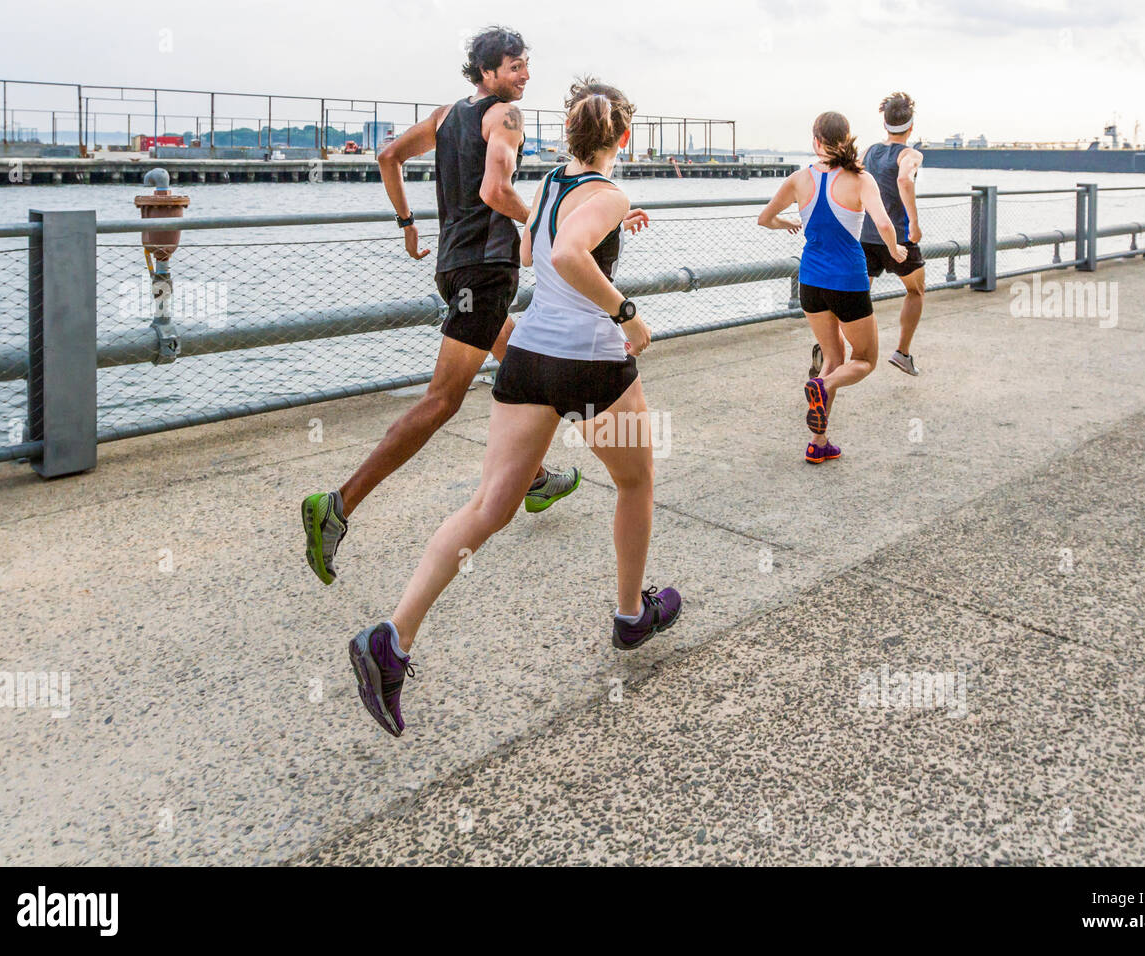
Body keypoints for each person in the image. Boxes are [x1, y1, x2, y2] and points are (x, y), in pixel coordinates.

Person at [348, 78, 680, 739]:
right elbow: (564, 253)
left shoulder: (555, 182)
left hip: (528, 357)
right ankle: (629, 615)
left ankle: (392, 639)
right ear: (623, 137)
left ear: (568, 135)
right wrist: (628, 312)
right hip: (590, 360)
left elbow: (534, 249)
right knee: (636, 483)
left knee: (488, 508)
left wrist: (611, 231)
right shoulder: (610, 191)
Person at [301, 26, 579, 587]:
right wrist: (547, 227)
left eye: (526, 65)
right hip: (485, 267)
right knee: (443, 401)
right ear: (488, 72)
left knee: (526, 361)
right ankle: (337, 504)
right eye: (515, 66)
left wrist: (408, 225)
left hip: (453, 269)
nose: (524, 75)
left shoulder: (446, 114)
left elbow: (388, 157)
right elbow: (496, 191)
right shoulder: (505, 116)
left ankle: (532, 477)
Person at [757, 111, 905, 462]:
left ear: (815, 141)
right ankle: (824, 385)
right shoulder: (859, 178)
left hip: (810, 282)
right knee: (864, 359)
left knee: (833, 356)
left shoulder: (798, 179)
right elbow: (883, 223)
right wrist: (896, 248)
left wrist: (789, 223)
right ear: (848, 138)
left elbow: (764, 219)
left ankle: (818, 443)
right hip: (848, 282)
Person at [861, 92, 925, 375]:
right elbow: (903, 180)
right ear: (910, 126)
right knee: (916, 290)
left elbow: (853, 179)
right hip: (898, 238)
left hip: (865, 236)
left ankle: (832, 348)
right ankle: (902, 352)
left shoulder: (869, 151)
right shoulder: (911, 154)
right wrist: (914, 222)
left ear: (885, 124)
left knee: (858, 295)